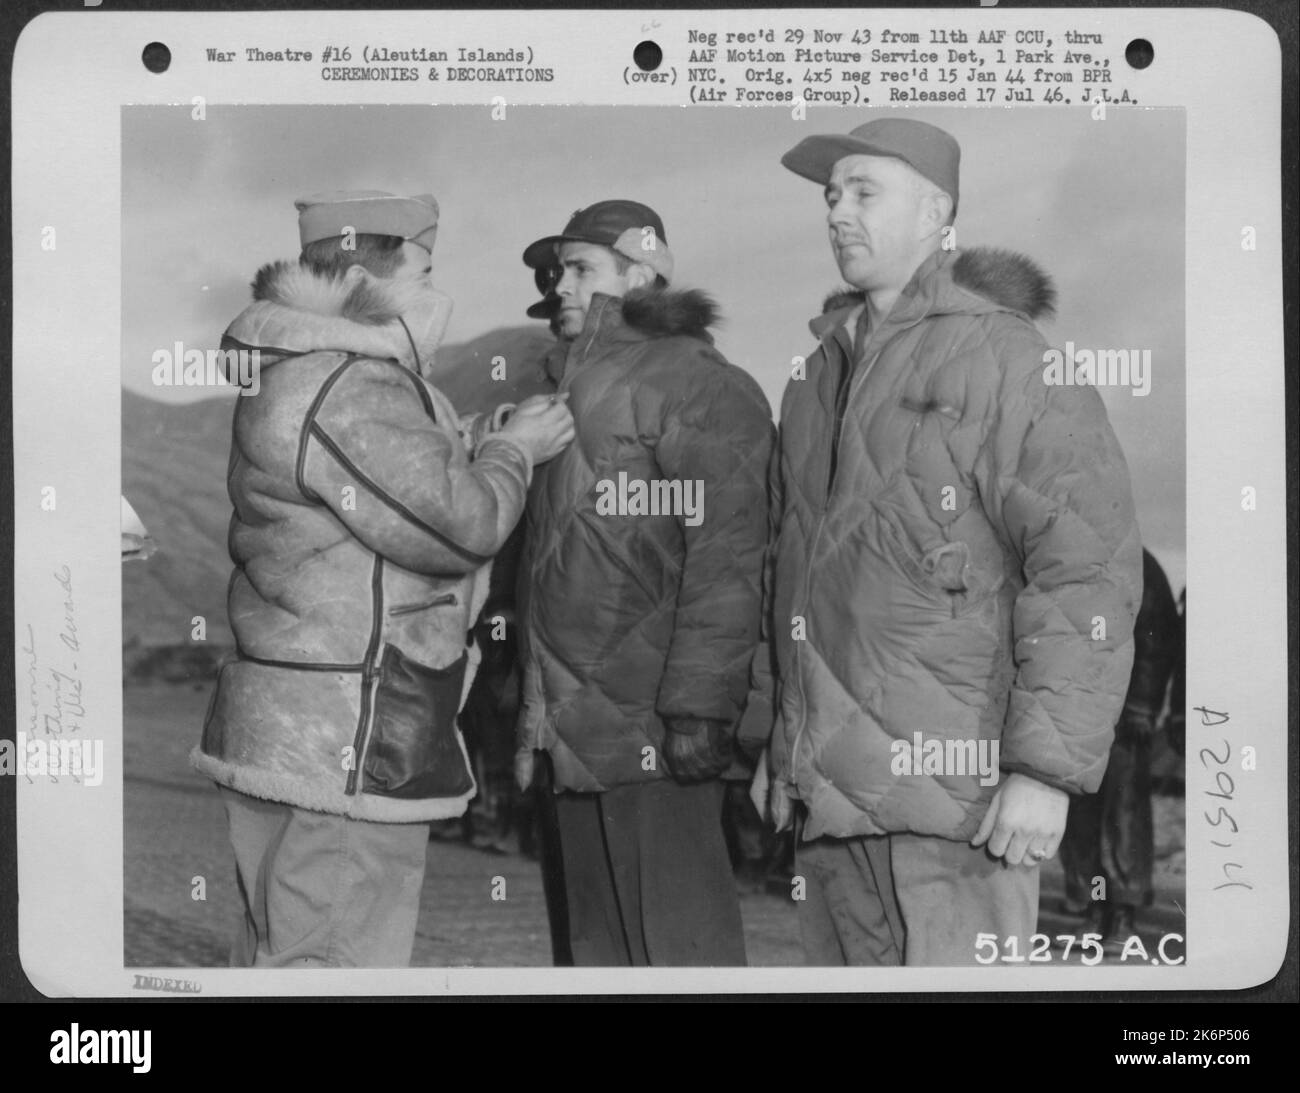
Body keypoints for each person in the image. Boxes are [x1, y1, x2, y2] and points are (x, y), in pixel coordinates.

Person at [746, 118, 1144, 966]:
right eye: (829, 195)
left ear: (937, 213)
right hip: (829, 802)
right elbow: (791, 579)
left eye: (863, 192)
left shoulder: (1010, 359)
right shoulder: (814, 380)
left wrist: (1047, 770)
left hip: (964, 806)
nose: (837, 212)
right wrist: (782, 744)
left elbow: (1086, 570)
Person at [192, 189, 574, 967]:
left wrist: (464, 439)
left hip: (294, 724)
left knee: (284, 953)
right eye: (425, 268)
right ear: (377, 271)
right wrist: (515, 453)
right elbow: (457, 524)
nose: (435, 289)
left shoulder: (298, 368)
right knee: (338, 962)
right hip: (350, 734)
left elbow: (367, 496)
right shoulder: (346, 381)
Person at [513, 200, 774, 965]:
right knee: (593, 957)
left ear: (644, 274)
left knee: (679, 952)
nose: (559, 284)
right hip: (574, 732)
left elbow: (730, 554)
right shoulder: (565, 390)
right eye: (558, 269)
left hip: (658, 730)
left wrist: (699, 707)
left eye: (582, 268)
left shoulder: (697, 384)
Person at [1059, 548, 1181, 949]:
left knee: (1123, 820)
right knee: (1081, 822)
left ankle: (1123, 917)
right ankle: (1094, 912)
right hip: (1077, 716)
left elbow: (1158, 635)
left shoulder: (1139, 564)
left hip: (1126, 722)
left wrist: (1142, 706)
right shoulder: (1068, 554)